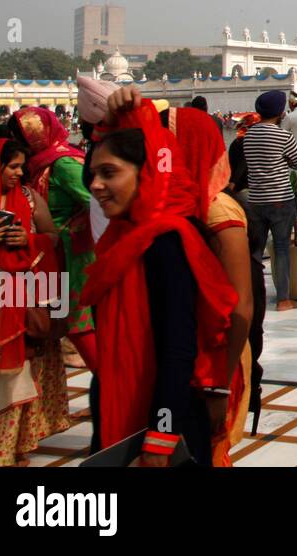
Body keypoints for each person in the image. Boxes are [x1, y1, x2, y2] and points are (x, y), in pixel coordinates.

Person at [80, 103, 237, 466]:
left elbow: (177, 350)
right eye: (93, 175)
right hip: (123, 406)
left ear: (148, 173)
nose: (96, 186)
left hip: (163, 416)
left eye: (109, 173)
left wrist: (162, 435)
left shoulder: (166, 242)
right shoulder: (125, 239)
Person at [0, 139, 69, 465]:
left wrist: (29, 239)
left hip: (15, 296)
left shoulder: (27, 197)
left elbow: (53, 238)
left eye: (22, 166)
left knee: (14, 376)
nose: (19, 173)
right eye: (12, 166)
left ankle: (10, 448)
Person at [10, 106, 97, 369]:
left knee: (78, 323)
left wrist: (72, 227)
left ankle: (109, 392)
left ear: (34, 138)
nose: (16, 144)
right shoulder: (39, 164)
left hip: (76, 255)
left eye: (19, 138)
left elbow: (99, 202)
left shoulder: (62, 163)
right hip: (54, 253)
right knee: (66, 322)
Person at [244, 90, 297, 311]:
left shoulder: (249, 135)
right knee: (281, 248)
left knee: (256, 251)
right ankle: (283, 299)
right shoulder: (283, 136)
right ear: (280, 112)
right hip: (280, 198)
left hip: (256, 199)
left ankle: (252, 296)